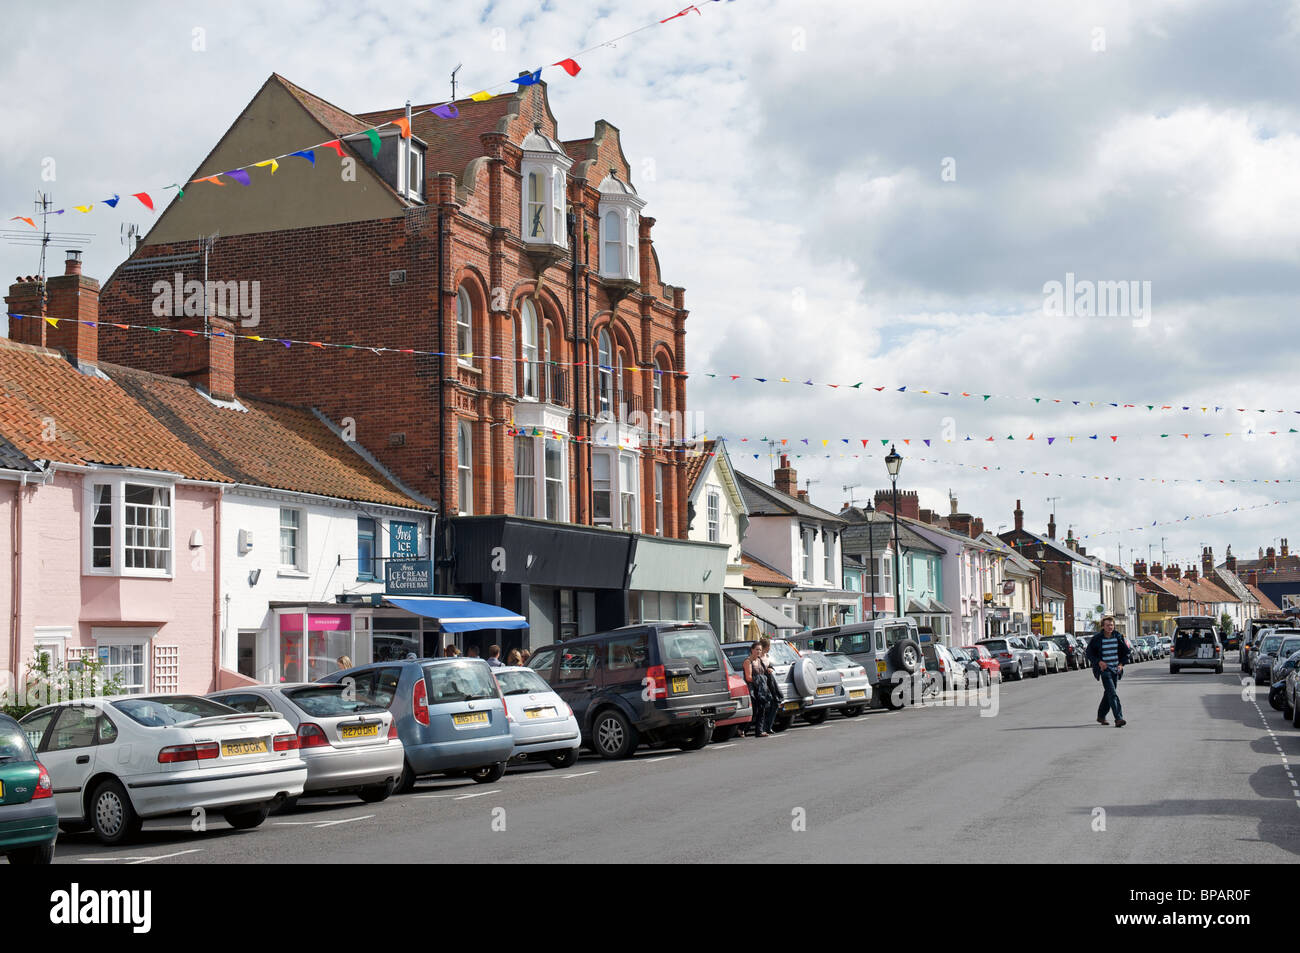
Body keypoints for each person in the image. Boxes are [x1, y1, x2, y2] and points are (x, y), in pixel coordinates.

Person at [1086, 614, 1131, 727]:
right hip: (1105, 669)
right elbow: (1089, 653)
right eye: (1107, 625)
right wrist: (1099, 662)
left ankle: (1101, 716)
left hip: (1115, 669)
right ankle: (1118, 718)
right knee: (1112, 693)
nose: (1110, 627)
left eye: (1111, 625)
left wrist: (1121, 665)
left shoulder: (1118, 637)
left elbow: (1126, 653)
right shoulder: (1097, 639)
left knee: (1109, 694)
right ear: (1103, 626)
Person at [743, 640, 774, 737]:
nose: (758, 652)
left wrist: (769, 669)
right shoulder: (748, 662)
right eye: (756, 650)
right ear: (752, 650)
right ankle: (742, 729)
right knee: (754, 711)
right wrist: (759, 680)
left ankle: (759, 731)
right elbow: (748, 677)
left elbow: (764, 671)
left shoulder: (759, 660)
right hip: (753, 688)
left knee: (762, 709)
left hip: (761, 688)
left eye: (760, 650)